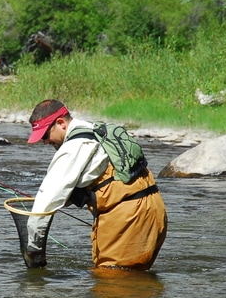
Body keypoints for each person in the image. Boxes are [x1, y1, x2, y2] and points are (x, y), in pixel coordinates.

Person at [23, 99, 167, 270]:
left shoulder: (73, 148)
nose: (45, 142)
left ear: (61, 123)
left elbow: (44, 205)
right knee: (134, 283)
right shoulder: (95, 131)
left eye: (45, 135)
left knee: (111, 286)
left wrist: (34, 249)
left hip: (128, 219)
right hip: (153, 209)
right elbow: (103, 180)